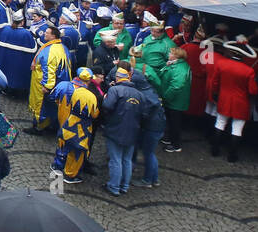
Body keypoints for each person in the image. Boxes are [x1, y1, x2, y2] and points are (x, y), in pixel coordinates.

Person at [50, 68, 100, 184]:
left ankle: (58, 165)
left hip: (65, 123)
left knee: (62, 144)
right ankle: (70, 174)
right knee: (77, 151)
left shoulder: (64, 86)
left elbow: (52, 97)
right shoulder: (90, 96)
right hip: (81, 127)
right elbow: (94, 114)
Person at [100, 65, 144, 196]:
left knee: (116, 159)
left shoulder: (115, 90)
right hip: (133, 131)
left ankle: (114, 187)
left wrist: (105, 98)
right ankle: (124, 186)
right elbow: (144, 113)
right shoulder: (139, 94)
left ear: (118, 78)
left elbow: (107, 106)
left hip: (116, 129)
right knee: (127, 160)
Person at [145, 45, 191, 152]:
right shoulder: (174, 65)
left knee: (175, 123)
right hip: (173, 101)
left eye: (170, 53)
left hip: (175, 101)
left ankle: (175, 145)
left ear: (176, 57)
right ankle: (170, 139)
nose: (168, 55)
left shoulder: (180, 68)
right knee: (171, 121)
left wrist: (166, 97)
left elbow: (176, 86)